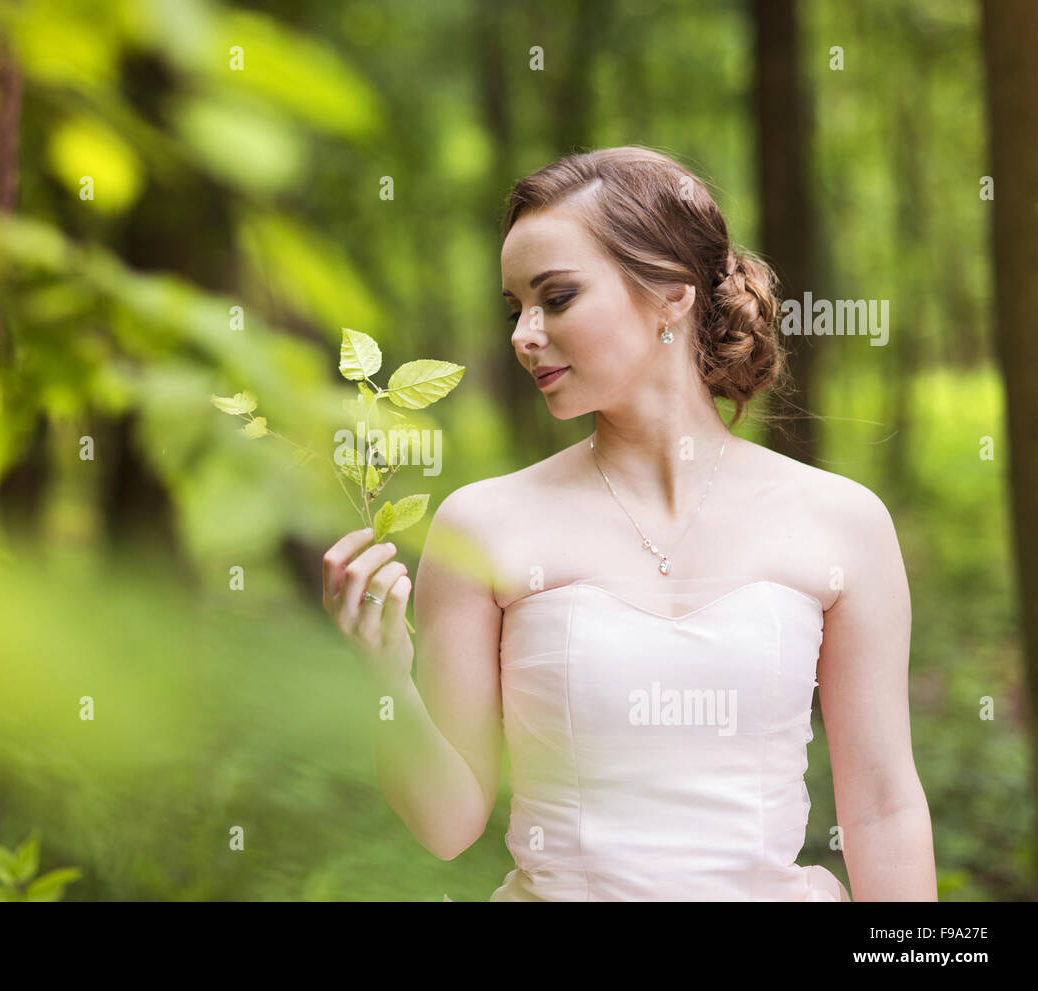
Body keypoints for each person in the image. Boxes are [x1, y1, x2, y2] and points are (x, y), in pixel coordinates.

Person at [321, 147, 936, 901]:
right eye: (515, 307)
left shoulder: (842, 523)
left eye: (558, 297)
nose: (524, 333)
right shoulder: (481, 527)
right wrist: (383, 673)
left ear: (672, 294)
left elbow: (882, 809)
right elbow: (448, 823)